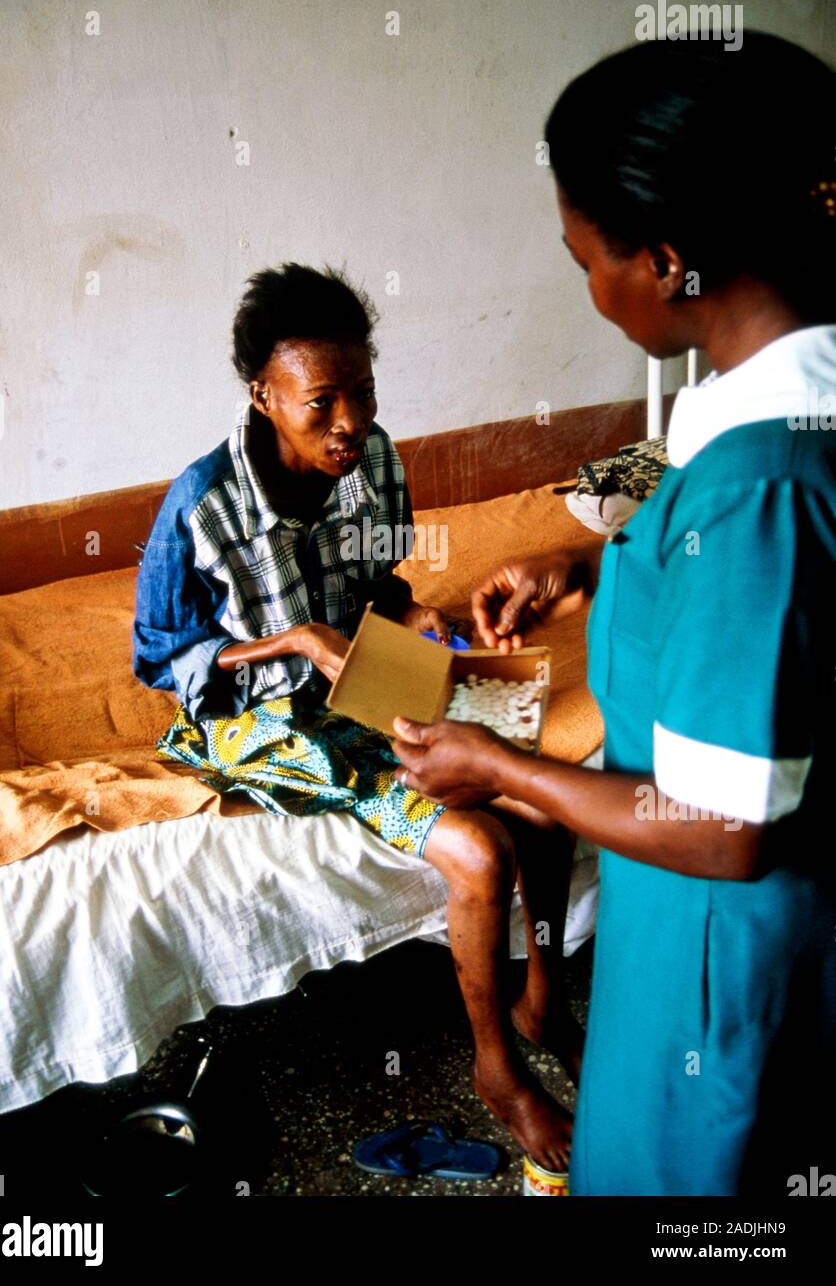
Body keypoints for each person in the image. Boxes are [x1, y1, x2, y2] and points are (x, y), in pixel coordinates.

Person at [392, 31, 836, 1195]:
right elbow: (673, 448)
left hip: (719, 938)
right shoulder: (776, 366)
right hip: (676, 913)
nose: (586, 288)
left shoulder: (762, 497)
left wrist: (498, 769)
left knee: (690, 1180)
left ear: (667, 260)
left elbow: (723, 827)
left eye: (583, 258)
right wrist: (572, 548)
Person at [133, 262, 583, 1171]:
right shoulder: (203, 504)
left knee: (536, 793)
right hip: (258, 718)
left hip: (368, 674)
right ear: (263, 394)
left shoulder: (374, 460)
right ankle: (498, 1071)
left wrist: (416, 620)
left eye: (364, 391)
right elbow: (161, 661)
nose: (351, 421)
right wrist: (296, 641)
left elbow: (382, 585)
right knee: (480, 845)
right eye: (322, 401)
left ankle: (544, 998)